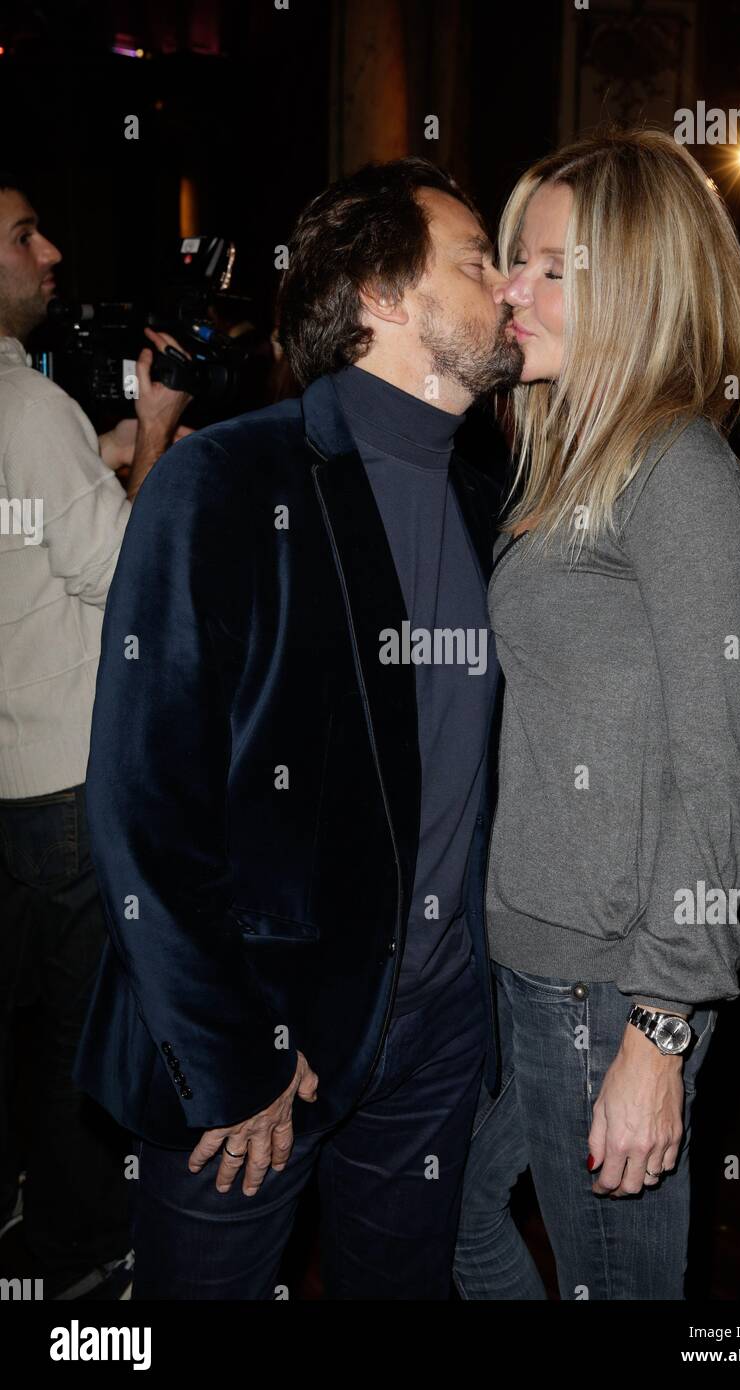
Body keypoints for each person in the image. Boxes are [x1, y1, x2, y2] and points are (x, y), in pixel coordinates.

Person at [73, 156, 524, 1300]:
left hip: (435, 1032)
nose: (509, 287)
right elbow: (141, 806)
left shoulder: (487, 498)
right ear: (382, 293)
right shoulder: (225, 480)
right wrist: (232, 1056)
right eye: (479, 262)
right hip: (259, 1048)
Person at [453, 128, 740, 1300]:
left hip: (608, 986)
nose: (508, 291)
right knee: (457, 1218)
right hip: (539, 962)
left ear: (631, 285)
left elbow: (714, 773)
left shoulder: (677, 472)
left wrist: (659, 1028)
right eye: (510, 262)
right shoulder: (569, 461)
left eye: (546, 267)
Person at [0, 171, 191, 1298]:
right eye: (25, 235)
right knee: (81, 1037)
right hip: (67, 790)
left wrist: (109, 450)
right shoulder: (29, 413)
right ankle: (79, 1260)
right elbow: (128, 578)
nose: (52, 253)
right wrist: (155, 435)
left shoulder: (31, 416)